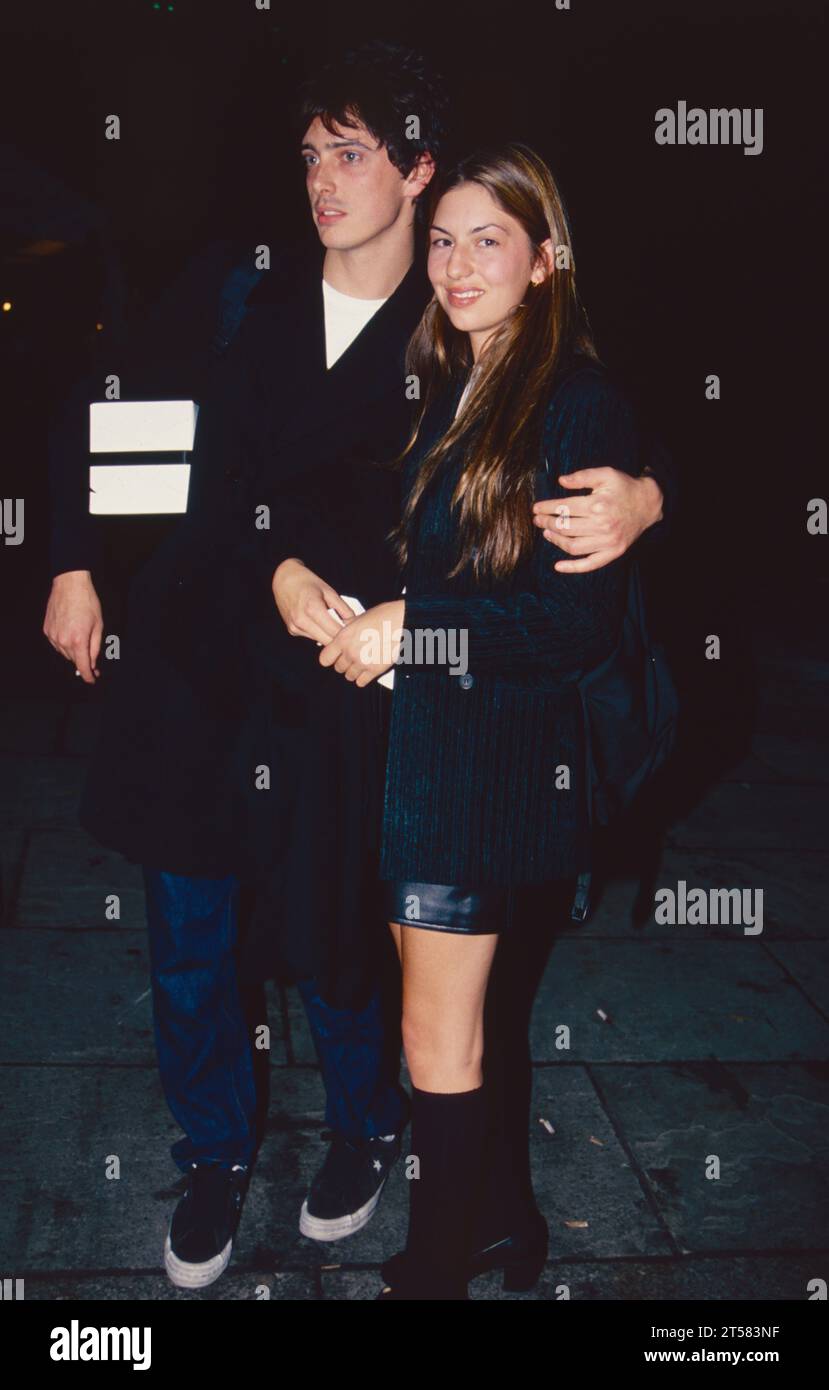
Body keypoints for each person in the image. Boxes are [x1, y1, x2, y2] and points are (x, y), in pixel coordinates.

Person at [42, 43, 670, 1291]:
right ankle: (216, 1157)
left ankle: (373, 1135)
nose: (321, 180)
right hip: (201, 658)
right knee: (189, 923)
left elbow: (572, 430)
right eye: (310, 154)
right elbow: (105, 405)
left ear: (418, 169)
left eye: (352, 153)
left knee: (344, 937)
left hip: (356, 697)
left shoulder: (439, 343)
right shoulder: (249, 288)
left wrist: (651, 498)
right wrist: (70, 558)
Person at [315, 142, 651, 1299]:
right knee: (451, 1035)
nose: (456, 265)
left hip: (491, 775)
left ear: (545, 259)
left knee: (435, 1047)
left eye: (489, 240)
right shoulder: (454, 378)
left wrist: (417, 625)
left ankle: (434, 1270)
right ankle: (504, 1225)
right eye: (445, 239)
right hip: (430, 765)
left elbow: (570, 631)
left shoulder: (575, 401)